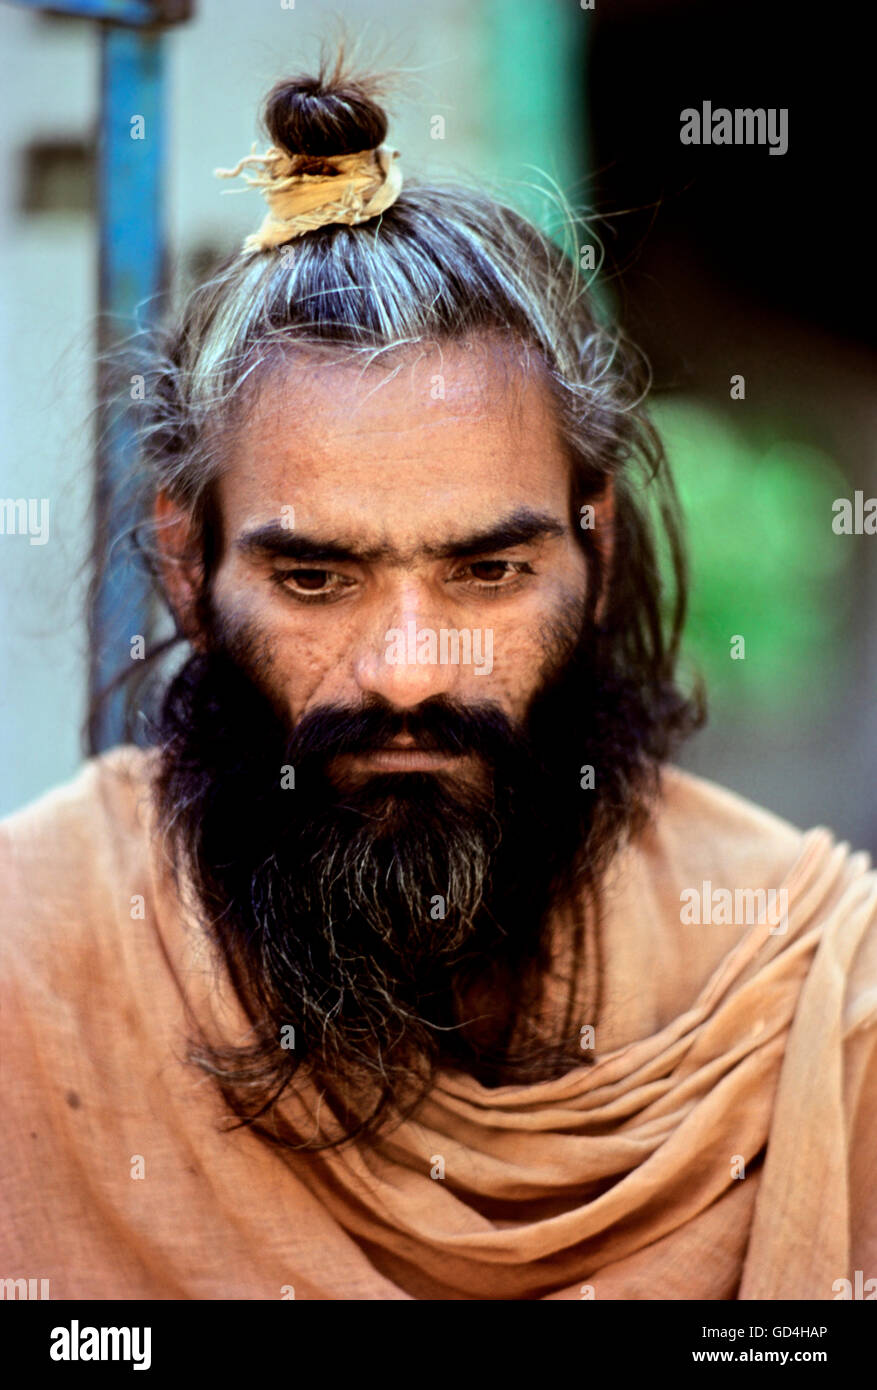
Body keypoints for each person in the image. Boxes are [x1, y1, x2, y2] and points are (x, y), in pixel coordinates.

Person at [2, 52, 875, 1302]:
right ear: (189, 568)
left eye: (488, 572)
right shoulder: (28, 962)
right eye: (314, 579)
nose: (409, 670)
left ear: (594, 546)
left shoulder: (805, 994)